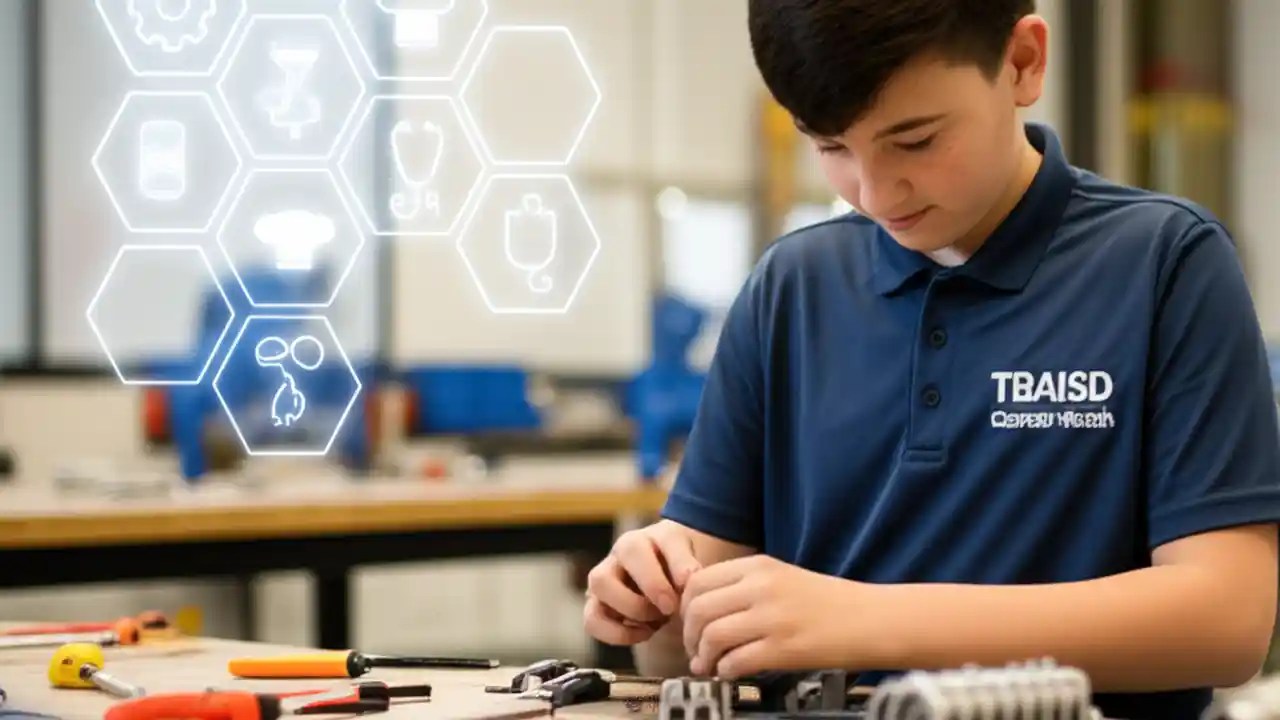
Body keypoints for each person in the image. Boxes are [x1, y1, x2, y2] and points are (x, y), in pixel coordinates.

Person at [582, 2, 1280, 719]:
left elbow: (1225, 622)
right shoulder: (790, 288)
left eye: (913, 141)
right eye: (830, 147)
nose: (876, 193)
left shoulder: (1164, 264)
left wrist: (860, 620)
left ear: (1022, 63)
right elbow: (683, 650)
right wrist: (659, 605)